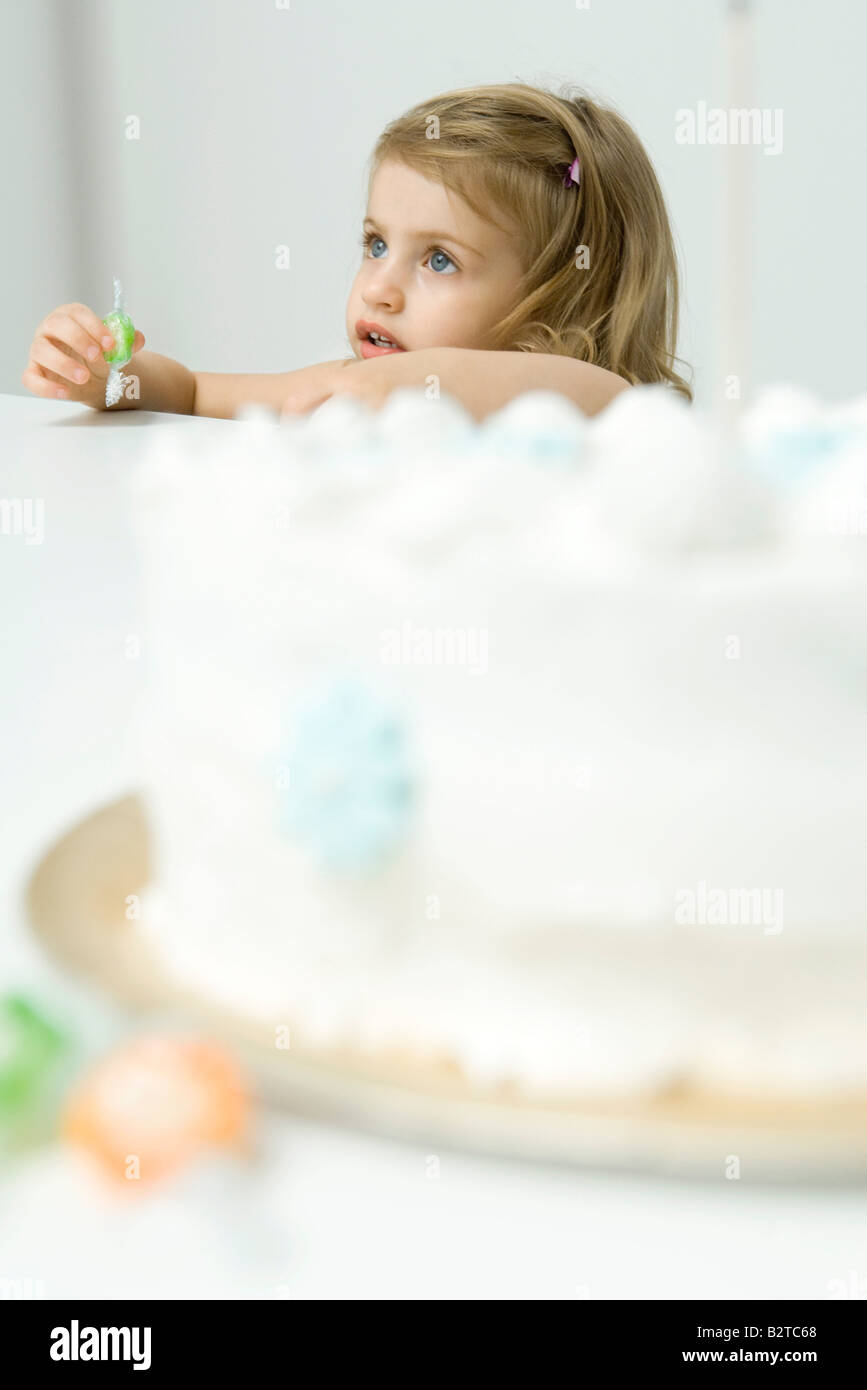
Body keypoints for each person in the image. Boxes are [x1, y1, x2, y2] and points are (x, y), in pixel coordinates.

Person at [21, 83, 692, 422]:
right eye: (376, 244)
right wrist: (112, 379)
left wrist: (370, 387)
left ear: (561, 293)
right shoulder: (353, 385)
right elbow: (196, 394)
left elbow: (568, 390)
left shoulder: (597, 404)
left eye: (438, 261)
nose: (378, 288)